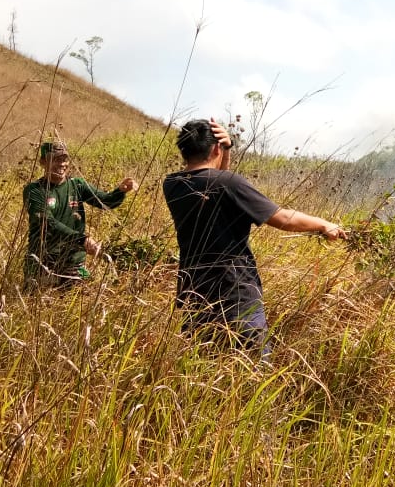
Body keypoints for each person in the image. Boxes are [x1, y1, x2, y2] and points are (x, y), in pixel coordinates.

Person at [163, 118, 346, 354]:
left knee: (206, 370)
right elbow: (283, 219)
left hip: (194, 295)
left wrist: (224, 152)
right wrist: (323, 224)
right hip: (235, 295)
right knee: (253, 371)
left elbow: (213, 181)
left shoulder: (171, 184)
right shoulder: (229, 184)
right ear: (216, 148)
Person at [23, 140, 139, 288]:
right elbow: (47, 222)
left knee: (75, 301)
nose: (62, 164)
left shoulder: (77, 185)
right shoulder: (34, 191)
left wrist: (121, 191)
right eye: (56, 159)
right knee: (36, 304)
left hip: (73, 261)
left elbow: (106, 202)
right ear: (43, 162)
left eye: (64, 159)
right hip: (42, 260)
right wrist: (82, 240)